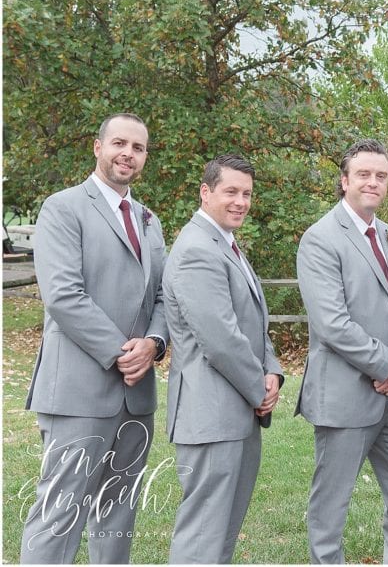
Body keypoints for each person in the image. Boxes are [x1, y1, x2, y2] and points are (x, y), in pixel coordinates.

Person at [20, 113, 168, 564]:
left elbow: (164, 297)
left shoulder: (149, 220)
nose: (128, 154)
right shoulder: (63, 208)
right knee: (59, 514)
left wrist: (154, 343)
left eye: (138, 147)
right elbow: (63, 295)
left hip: (136, 396)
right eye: (119, 143)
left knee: (118, 513)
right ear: (98, 147)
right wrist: (122, 353)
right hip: (79, 390)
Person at [295, 138, 388, 564]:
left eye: (381, 175)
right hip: (345, 395)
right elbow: (332, 324)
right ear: (344, 180)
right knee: (332, 502)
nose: (373, 182)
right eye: (364, 174)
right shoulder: (319, 239)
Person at [163, 154, 284, 563]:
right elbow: (221, 339)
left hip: (235, 412)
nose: (241, 202)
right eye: (231, 191)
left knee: (221, 536)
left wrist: (272, 372)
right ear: (205, 191)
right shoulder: (197, 249)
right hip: (211, 415)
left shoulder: (224, 242)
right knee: (202, 538)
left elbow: (252, 322)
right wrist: (258, 390)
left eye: (247, 194)